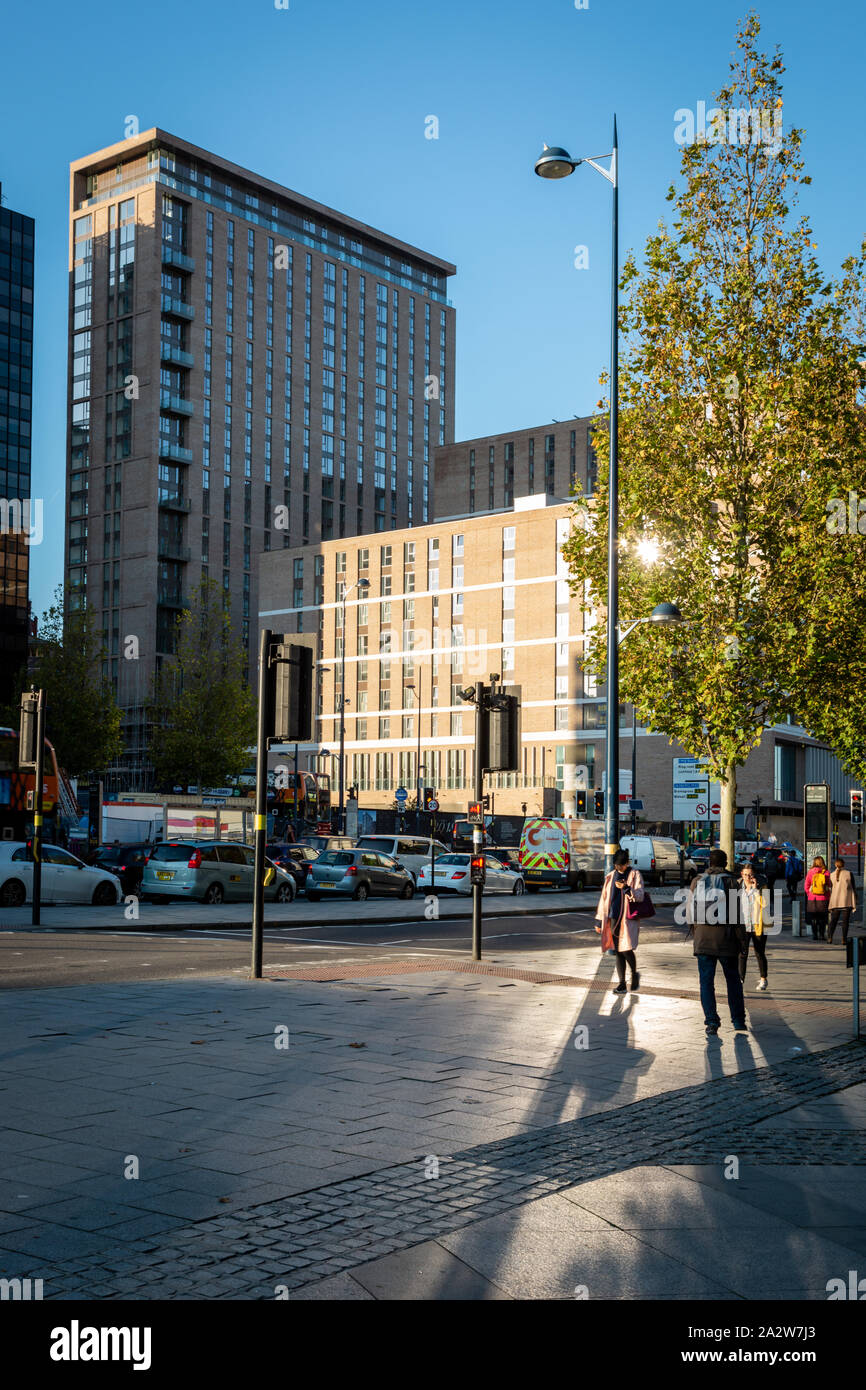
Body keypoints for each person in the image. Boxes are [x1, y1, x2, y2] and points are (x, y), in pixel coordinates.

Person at [687, 848, 749, 1038]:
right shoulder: (731, 882)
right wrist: (742, 942)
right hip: (726, 940)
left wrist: (697, 934)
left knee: (706, 982)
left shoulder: (697, 881)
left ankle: (712, 1022)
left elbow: (690, 913)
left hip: (703, 940)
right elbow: (737, 915)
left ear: (709, 862)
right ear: (726, 862)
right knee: (733, 981)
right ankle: (738, 1020)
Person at [594, 848, 645, 994]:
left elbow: (640, 895)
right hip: (613, 917)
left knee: (626, 949)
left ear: (627, 863)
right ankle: (622, 983)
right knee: (617, 950)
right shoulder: (611, 876)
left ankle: (634, 973)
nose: (618, 868)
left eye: (621, 865)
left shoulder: (634, 874)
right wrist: (599, 920)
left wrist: (627, 888)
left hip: (628, 918)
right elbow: (604, 899)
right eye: (616, 865)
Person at [738, 863, 768, 991]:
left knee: (759, 953)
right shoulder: (737, 887)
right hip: (743, 926)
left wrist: (755, 890)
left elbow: (765, 904)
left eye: (750, 874)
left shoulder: (762, 886)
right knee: (742, 954)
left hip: (758, 925)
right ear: (741, 875)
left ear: (754, 875)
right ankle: (740, 979)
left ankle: (763, 979)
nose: (748, 877)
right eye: (745, 874)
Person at [827, 857, 857, 946]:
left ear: (835, 865)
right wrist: (855, 897)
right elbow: (853, 887)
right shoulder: (849, 874)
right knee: (845, 922)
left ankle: (830, 937)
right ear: (844, 864)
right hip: (846, 901)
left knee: (833, 921)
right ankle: (844, 939)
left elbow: (830, 887)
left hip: (836, 901)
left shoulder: (831, 875)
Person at [803, 856, 831, 940]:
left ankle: (814, 935)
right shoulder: (826, 873)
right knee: (823, 917)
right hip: (823, 898)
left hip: (812, 898)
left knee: (813, 917)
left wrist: (809, 894)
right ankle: (822, 934)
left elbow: (806, 885)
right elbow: (829, 885)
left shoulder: (810, 872)